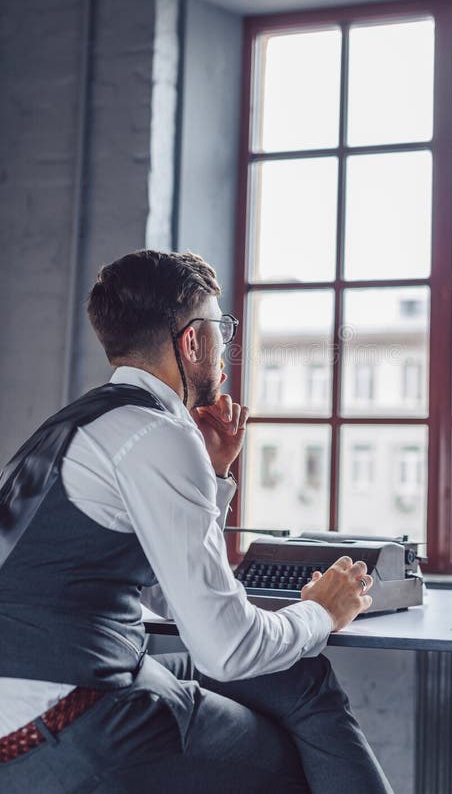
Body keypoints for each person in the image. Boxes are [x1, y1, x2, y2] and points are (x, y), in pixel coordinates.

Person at [0, 249, 394, 794]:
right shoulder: (158, 431)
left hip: (30, 711)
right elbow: (226, 649)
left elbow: (167, 589)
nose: (226, 345)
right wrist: (319, 614)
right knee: (292, 746)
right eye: (220, 328)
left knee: (292, 678)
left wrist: (212, 474)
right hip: (73, 720)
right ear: (191, 341)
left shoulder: (82, 424)